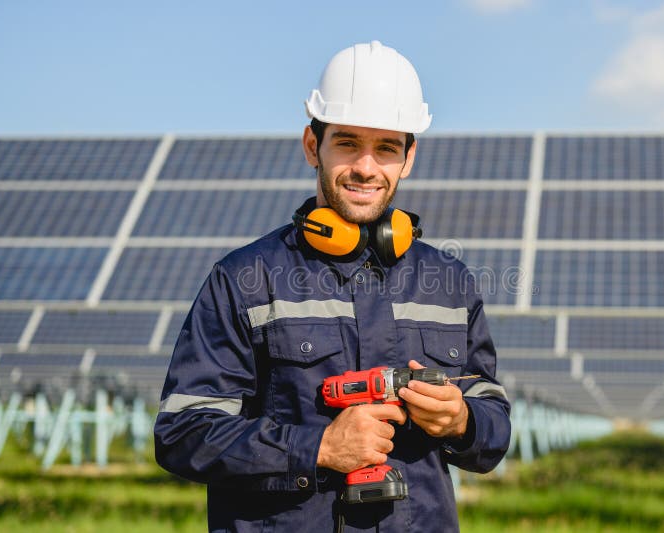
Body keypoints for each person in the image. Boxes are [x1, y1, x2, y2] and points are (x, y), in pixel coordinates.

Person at [154, 40, 511, 533]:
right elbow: (184, 432)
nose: (365, 166)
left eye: (386, 148)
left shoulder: (449, 282)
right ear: (311, 146)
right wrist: (317, 448)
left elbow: (494, 425)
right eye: (347, 143)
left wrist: (463, 422)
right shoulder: (245, 279)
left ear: (408, 158)